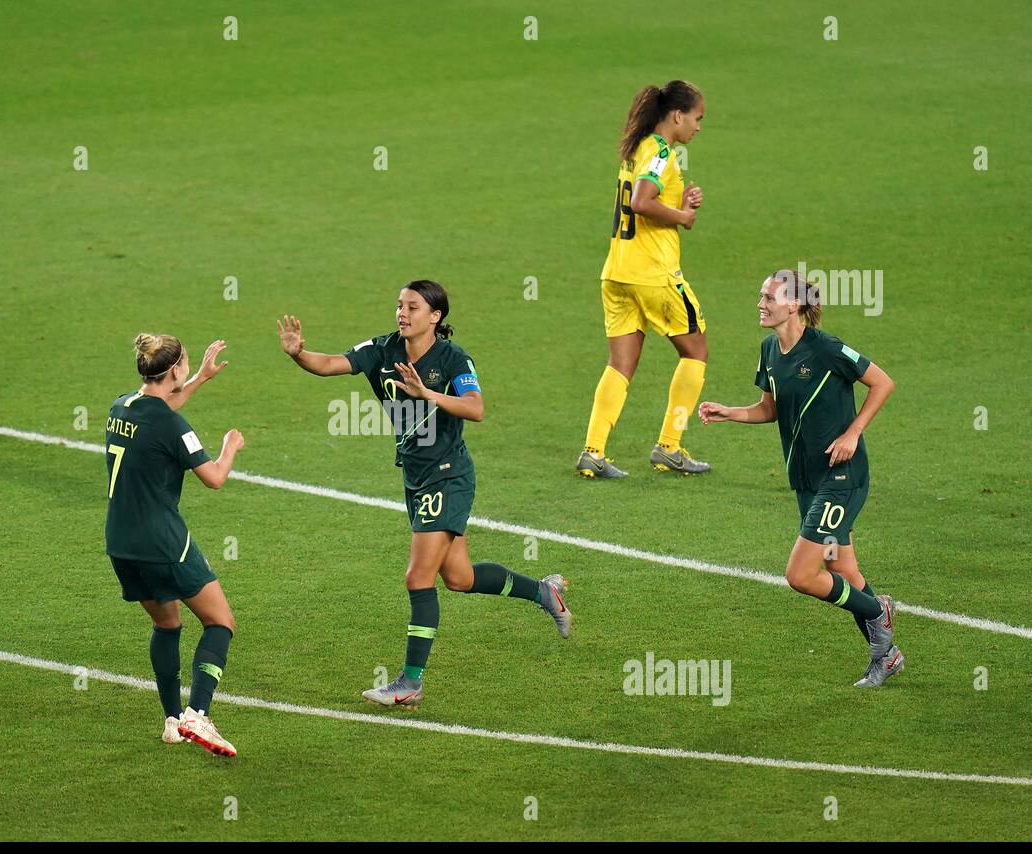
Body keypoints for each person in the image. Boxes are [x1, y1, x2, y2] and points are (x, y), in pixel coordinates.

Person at [277, 280, 572, 709]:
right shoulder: (383, 349)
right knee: (460, 578)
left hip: (448, 476)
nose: (402, 313)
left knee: (418, 578)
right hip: (415, 475)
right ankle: (543, 593)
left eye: (412, 307)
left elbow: (476, 408)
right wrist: (299, 353)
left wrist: (427, 393)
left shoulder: (453, 359)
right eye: (399, 305)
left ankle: (410, 683)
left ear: (435, 317)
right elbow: (330, 364)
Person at [697, 271, 902, 687]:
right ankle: (887, 655)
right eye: (760, 295)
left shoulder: (826, 349)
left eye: (769, 297)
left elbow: (882, 382)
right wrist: (730, 412)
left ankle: (876, 611)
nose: (760, 303)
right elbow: (768, 409)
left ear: (793, 305)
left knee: (801, 575)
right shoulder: (769, 349)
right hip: (806, 479)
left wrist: (853, 432)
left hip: (841, 477)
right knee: (842, 568)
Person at [105, 333, 245, 754]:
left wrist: (200, 377)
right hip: (163, 541)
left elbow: (162, 410)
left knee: (166, 624)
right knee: (221, 623)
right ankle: (198, 714)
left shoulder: (121, 406)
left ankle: (171, 720)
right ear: (174, 370)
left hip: (120, 543)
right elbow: (214, 477)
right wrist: (229, 447)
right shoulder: (172, 424)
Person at [578, 79, 710, 479]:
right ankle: (669, 446)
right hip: (651, 274)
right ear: (676, 115)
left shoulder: (636, 150)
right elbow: (641, 202)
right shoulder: (661, 153)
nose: (698, 127)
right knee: (696, 351)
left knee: (620, 364)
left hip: (616, 273)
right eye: (697, 118)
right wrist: (684, 217)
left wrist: (678, 208)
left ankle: (593, 451)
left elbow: (646, 204)